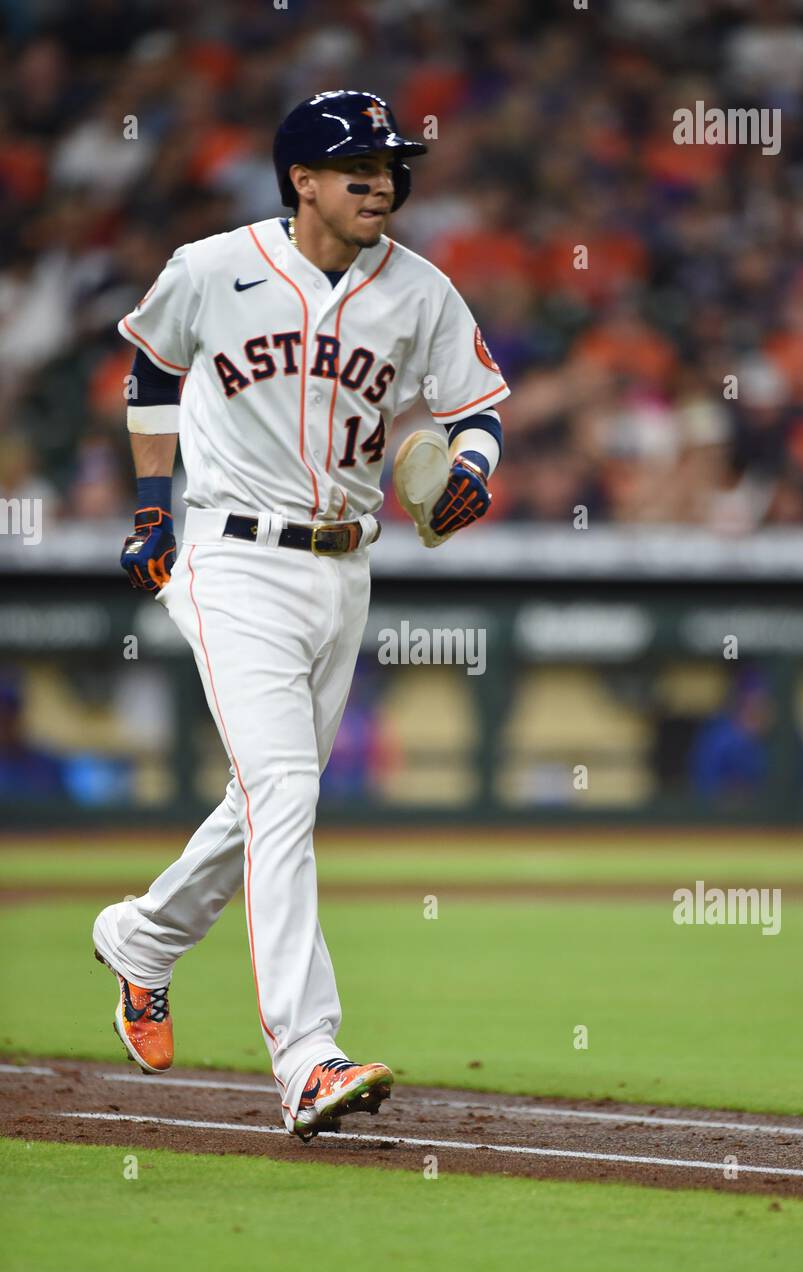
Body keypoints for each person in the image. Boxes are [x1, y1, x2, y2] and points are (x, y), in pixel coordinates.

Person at [92, 91, 509, 1141]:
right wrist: (151, 505)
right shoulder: (212, 265)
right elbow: (152, 365)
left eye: (392, 164)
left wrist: (471, 468)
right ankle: (307, 1056)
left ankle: (142, 938)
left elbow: (478, 407)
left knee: (261, 800)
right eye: (359, 165)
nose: (382, 181)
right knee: (282, 790)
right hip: (232, 557)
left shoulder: (418, 290)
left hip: (345, 569)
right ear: (302, 180)